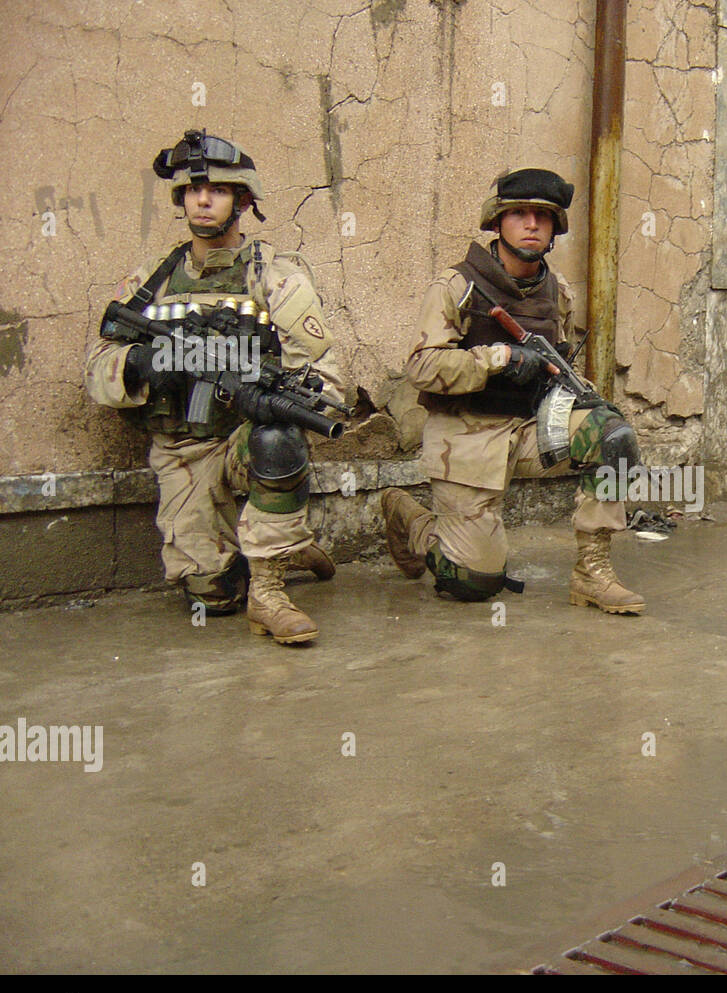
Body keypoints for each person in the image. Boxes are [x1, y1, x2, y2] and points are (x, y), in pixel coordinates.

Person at [85, 130, 348, 643]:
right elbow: (96, 370)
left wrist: (269, 400)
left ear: (243, 200)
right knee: (213, 594)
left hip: (240, 442)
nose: (202, 200)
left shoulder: (275, 277)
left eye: (219, 191)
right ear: (180, 200)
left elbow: (324, 378)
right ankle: (284, 550)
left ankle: (270, 591)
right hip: (181, 451)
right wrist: (144, 364)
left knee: (279, 437)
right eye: (191, 191)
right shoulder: (151, 281)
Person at [381, 168, 645, 613]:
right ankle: (408, 516)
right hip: (465, 438)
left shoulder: (555, 291)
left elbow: (558, 358)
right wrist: (495, 359)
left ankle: (592, 573)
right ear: (498, 222)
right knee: (471, 582)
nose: (531, 224)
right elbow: (420, 368)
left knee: (613, 437)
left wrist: (583, 393)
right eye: (519, 214)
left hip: (528, 430)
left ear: (554, 229)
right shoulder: (457, 286)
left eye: (542, 217)